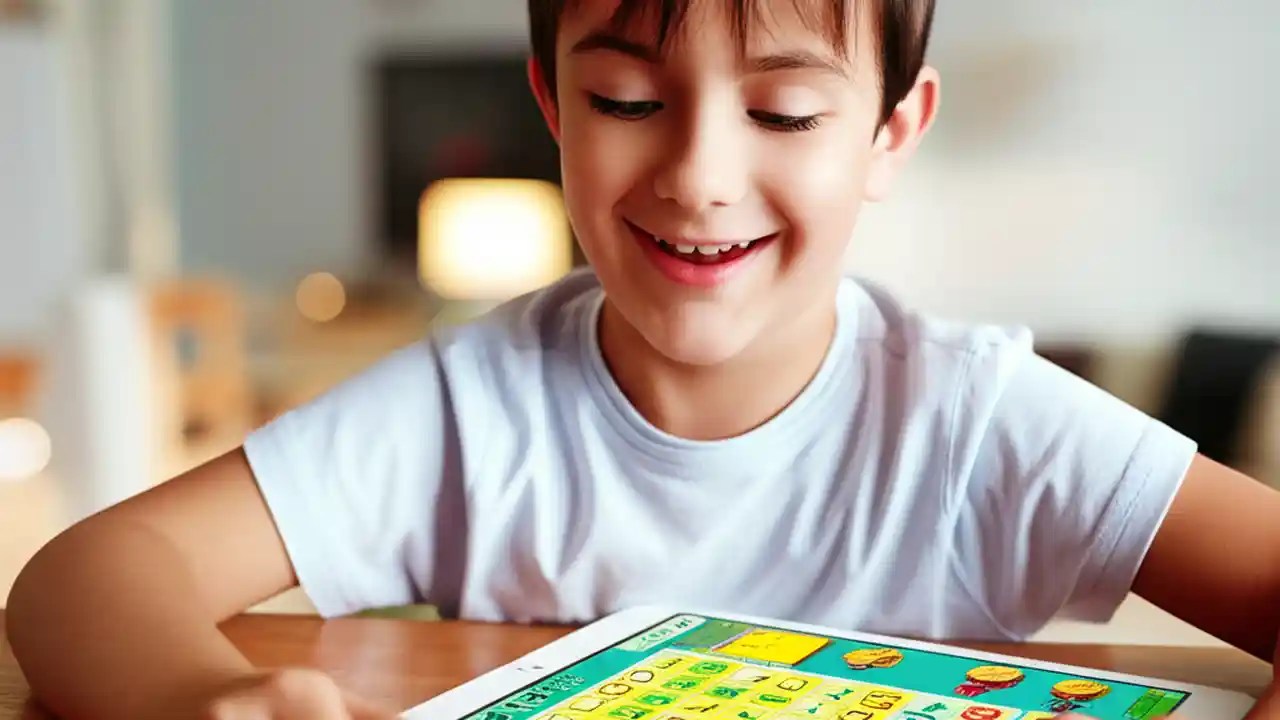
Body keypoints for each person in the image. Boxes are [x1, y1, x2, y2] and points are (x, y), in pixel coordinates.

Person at [8, 1, 1280, 718]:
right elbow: (86, 576)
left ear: (891, 133)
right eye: (625, 101)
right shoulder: (465, 407)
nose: (697, 177)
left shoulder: (978, 419)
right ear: (553, 107)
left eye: (781, 112)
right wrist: (205, 708)